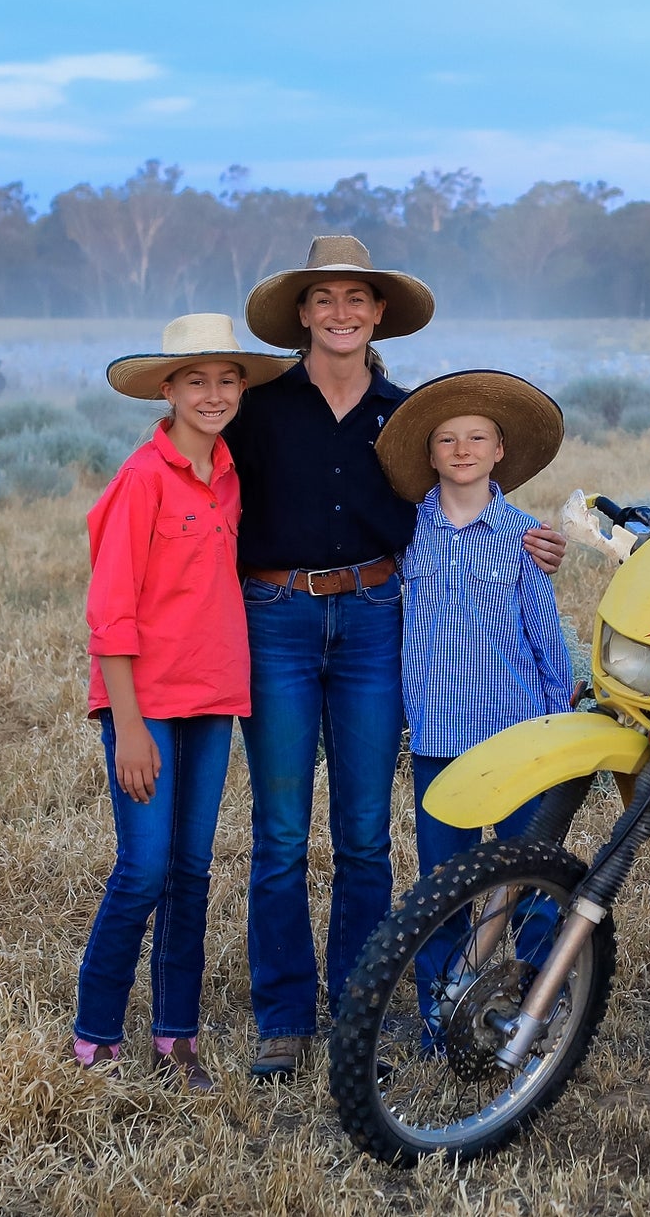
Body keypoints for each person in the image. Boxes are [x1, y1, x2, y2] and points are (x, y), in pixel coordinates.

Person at [226, 237, 567, 1078]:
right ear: (302, 313)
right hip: (276, 614)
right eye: (324, 298)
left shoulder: (405, 418)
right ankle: (281, 1015)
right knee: (278, 834)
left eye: (357, 298)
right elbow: (208, 494)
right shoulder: (262, 409)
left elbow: (465, 497)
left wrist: (531, 540)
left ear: (379, 313)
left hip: (376, 615)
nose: (341, 312)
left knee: (366, 835)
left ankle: (357, 1003)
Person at [74, 313, 291, 1091]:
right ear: (165, 390)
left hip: (212, 699)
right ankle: (94, 1036)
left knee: (192, 871)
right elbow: (112, 611)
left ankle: (177, 1037)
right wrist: (128, 724)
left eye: (226, 378)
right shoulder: (142, 479)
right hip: (147, 708)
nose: (213, 392)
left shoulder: (231, 475)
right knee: (142, 868)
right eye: (195, 379)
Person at [373, 369, 575, 1030]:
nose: (462, 449)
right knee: (443, 887)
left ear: (499, 452)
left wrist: (559, 728)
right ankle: (442, 1015)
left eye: (477, 437)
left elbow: (547, 644)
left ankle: (544, 1008)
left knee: (533, 882)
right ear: (429, 455)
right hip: (438, 737)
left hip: (515, 739)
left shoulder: (523, 539)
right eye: (447, 439)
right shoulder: (406, 537)